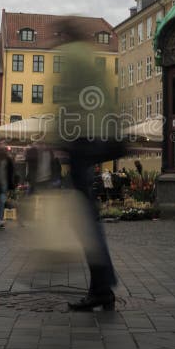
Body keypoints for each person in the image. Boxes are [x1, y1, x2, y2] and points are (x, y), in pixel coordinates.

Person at [54, 18, 125, 311]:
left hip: (79, 139)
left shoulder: (70, 56)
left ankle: (103, 282)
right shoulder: (90, 56)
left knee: (85, 217)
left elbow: (67, 101)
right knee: (88, 214)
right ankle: (101, 287)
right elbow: (106, 99)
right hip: (97, 135)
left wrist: (57, 136)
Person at [0, 139, 15, 229]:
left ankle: (0, 220)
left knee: (1, 202)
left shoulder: (7, 157)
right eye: (1, 143)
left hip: (4, 184)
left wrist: (12, 183)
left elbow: (11, 171)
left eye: (4, 143)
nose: (3, 145)